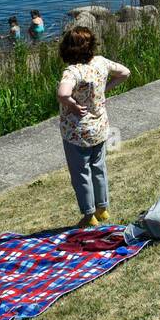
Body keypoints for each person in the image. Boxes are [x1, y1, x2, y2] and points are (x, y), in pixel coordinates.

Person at [56, 27, 131, 229]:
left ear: (68, 49)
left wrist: (72, 104)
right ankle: (103, 208)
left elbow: (63, 93)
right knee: (99, 168)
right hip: (99, 127)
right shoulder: (101, 62)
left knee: (81, 173)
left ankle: (89, 215)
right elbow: (125, 72)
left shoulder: (73, 71)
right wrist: (105, 89)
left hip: (77, 132)